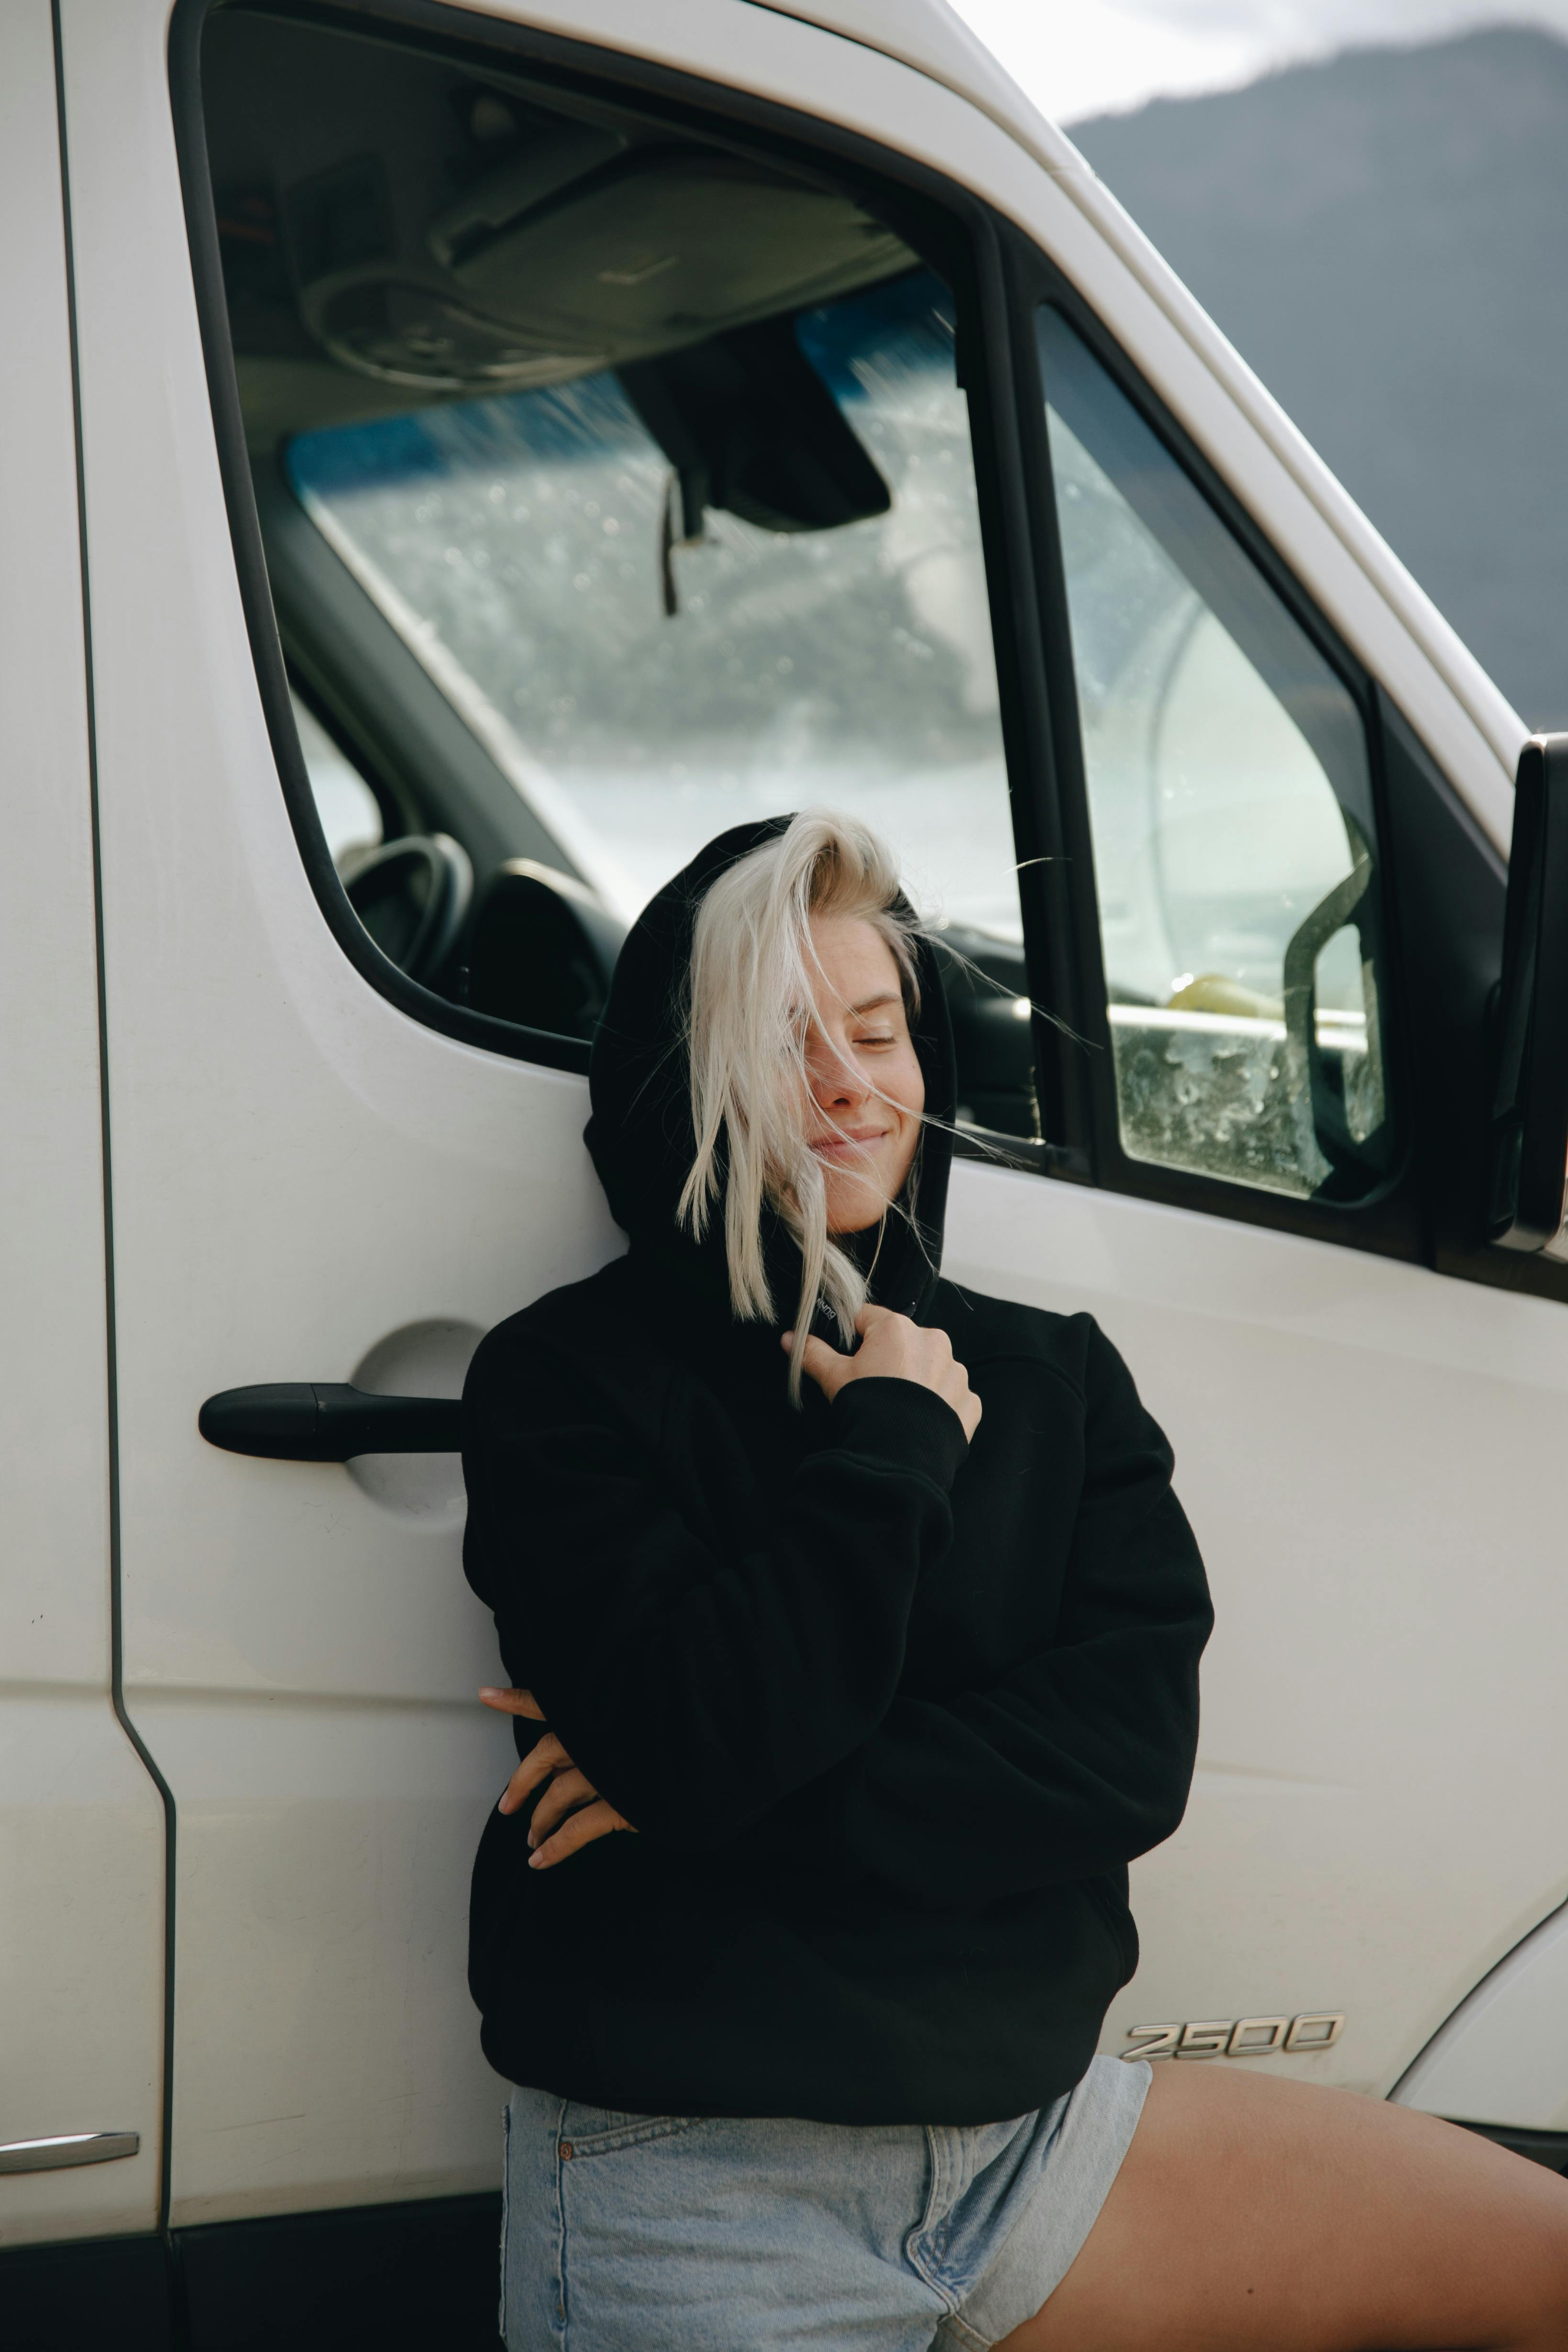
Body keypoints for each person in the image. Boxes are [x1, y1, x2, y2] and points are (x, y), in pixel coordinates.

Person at [462, 811, 1568, 2351]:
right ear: (684, 1078)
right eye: (787, 1045)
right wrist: (895, 1446)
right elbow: (707, 1737)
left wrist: (698, 1802)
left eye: (878, 1032)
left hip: (1038, 2141)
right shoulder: (562, 1382)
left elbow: (1118, 1766)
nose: (850, 1084)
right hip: (702, 2177)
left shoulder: (1058, 1380)